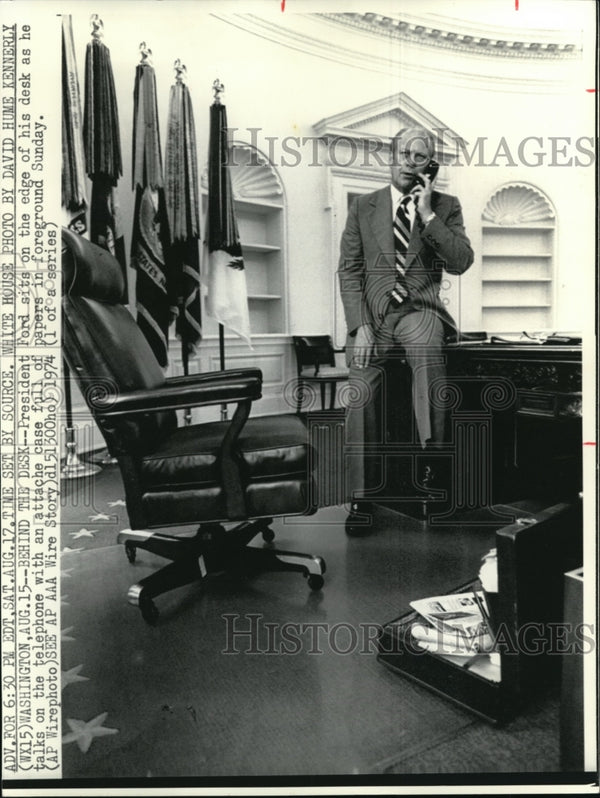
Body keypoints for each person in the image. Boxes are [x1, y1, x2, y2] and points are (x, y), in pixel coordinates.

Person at [338, 125, 474, 534]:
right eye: (403, 154)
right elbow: (350, 270)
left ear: (429, 164)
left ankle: (432, 469)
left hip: (418, 309)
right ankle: (361, 497)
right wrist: (359, 326)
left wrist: (428, 212)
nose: (409, 163)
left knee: (428, 356)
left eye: (419, 157)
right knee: (361, 386)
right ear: (390, 156)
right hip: (375, 316)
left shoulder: (446, 206)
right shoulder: (364, 206)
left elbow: (461, 261)